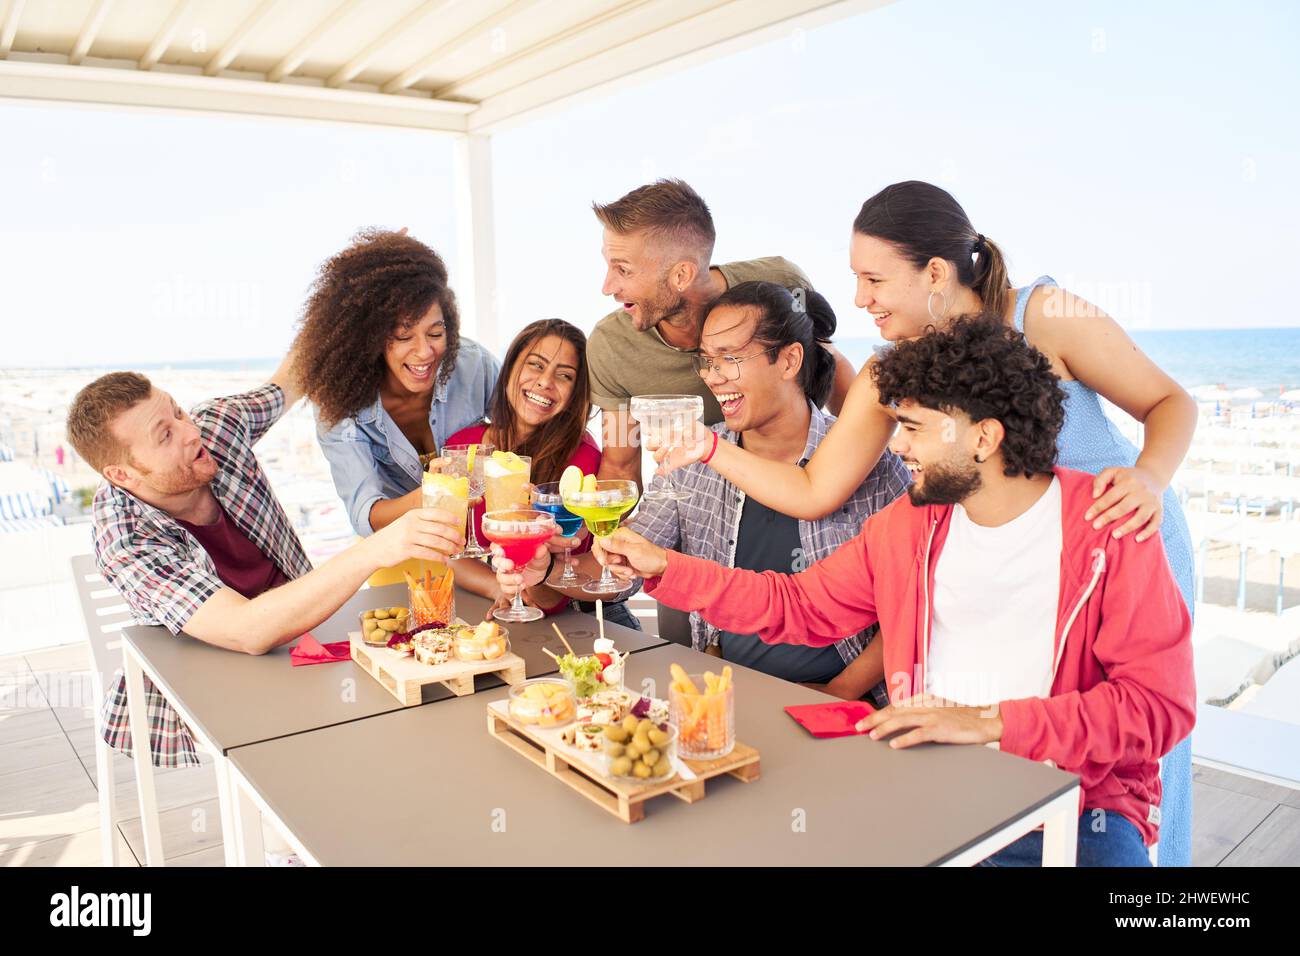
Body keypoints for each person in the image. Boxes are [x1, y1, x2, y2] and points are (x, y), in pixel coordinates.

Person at [655, 180, 1198, 866]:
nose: (859, 297)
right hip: (985, 549)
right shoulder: (903, 436)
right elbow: (816, 491)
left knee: (1132, 772)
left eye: (874, 277)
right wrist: (706, 462)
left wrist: (1147, 481)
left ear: (935, 273)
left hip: (1117, 523)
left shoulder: (1045, 315)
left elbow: (1170, 401)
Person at [496, 283, 909, 694]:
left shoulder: (872, 467)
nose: (713, 377)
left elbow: (908, 605)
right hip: (722, 692)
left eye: (730, 358)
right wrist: (549, 568)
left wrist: (842, 691)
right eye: (707, 361)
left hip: (844, 700)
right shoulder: (689, 462)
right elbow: (622, 567)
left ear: (789, 360)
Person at [66, 363, 464, 767]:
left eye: (178, 412)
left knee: (410, 712)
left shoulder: (217, 426)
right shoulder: (126, 538)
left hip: (304, 638)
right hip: (214, 683)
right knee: (323, 757)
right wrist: (376, 548)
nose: (190, 432)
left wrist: (356, 309)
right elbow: (248, 631)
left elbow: (296, 375)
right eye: (165, 435)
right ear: (121, 474)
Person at [588, 178, 858, 488]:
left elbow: (830, 365)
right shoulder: (611, 347)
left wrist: (857, 467)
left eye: (623, 270)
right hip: (706, 503)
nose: (607, 287)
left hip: (803, 475)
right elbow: (620, 468)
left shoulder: (783, 283)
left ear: (681, 274)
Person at [294, 229, 500, 536]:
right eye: (403, 336)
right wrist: (428, 495)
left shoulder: (472, 365)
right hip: (401, 547)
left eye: (435, 333)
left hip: (479, 542)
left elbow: (524, 427)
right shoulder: (340, 405)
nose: (424, 352)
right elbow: (367, 514)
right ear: (370, 336)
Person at [438, 319, 638, 631]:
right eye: (535, 365)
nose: (545, 382)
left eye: (565, 376)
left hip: (584, 620)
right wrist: (499, 588)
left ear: (576, 393)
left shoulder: (582, 460)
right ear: (510, 368)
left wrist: (531, 565)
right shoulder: (464, 447)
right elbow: (452, 553)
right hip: (497, 615)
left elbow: (551, 596)